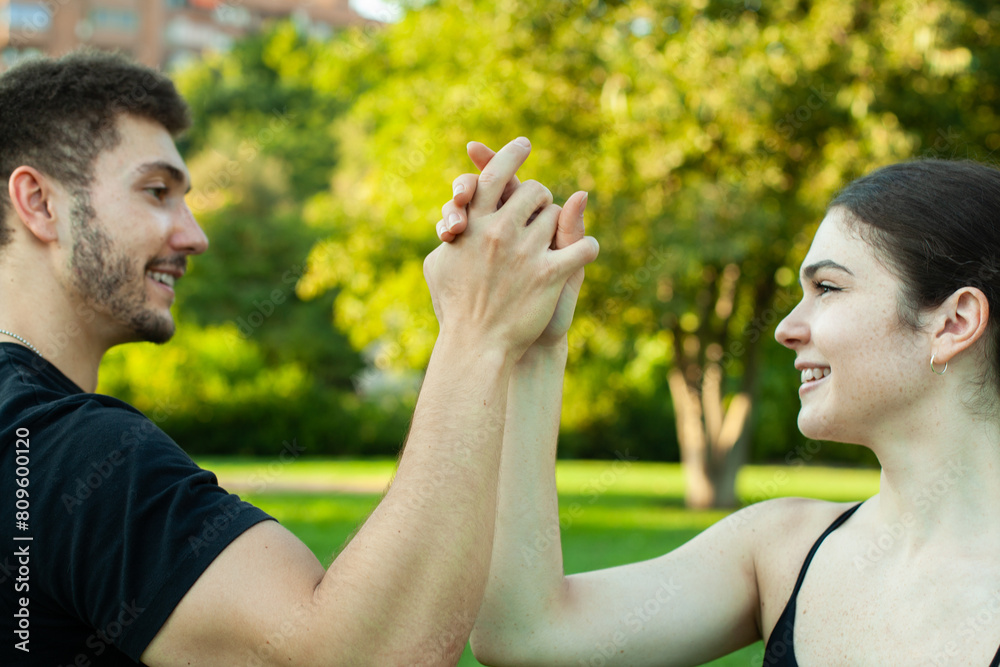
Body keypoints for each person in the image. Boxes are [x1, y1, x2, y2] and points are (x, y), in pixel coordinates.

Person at [0, 51, 600, 665]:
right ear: (40, 203)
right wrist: (480, 328)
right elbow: (359, 655)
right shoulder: (61, 447)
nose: (194, 235)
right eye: (157, 192)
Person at [440, 153, 1000, 665]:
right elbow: (524, 633)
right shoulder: (781, 550)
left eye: (827, 288)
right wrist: (534, 348)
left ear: (953, 323)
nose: (786, 328)